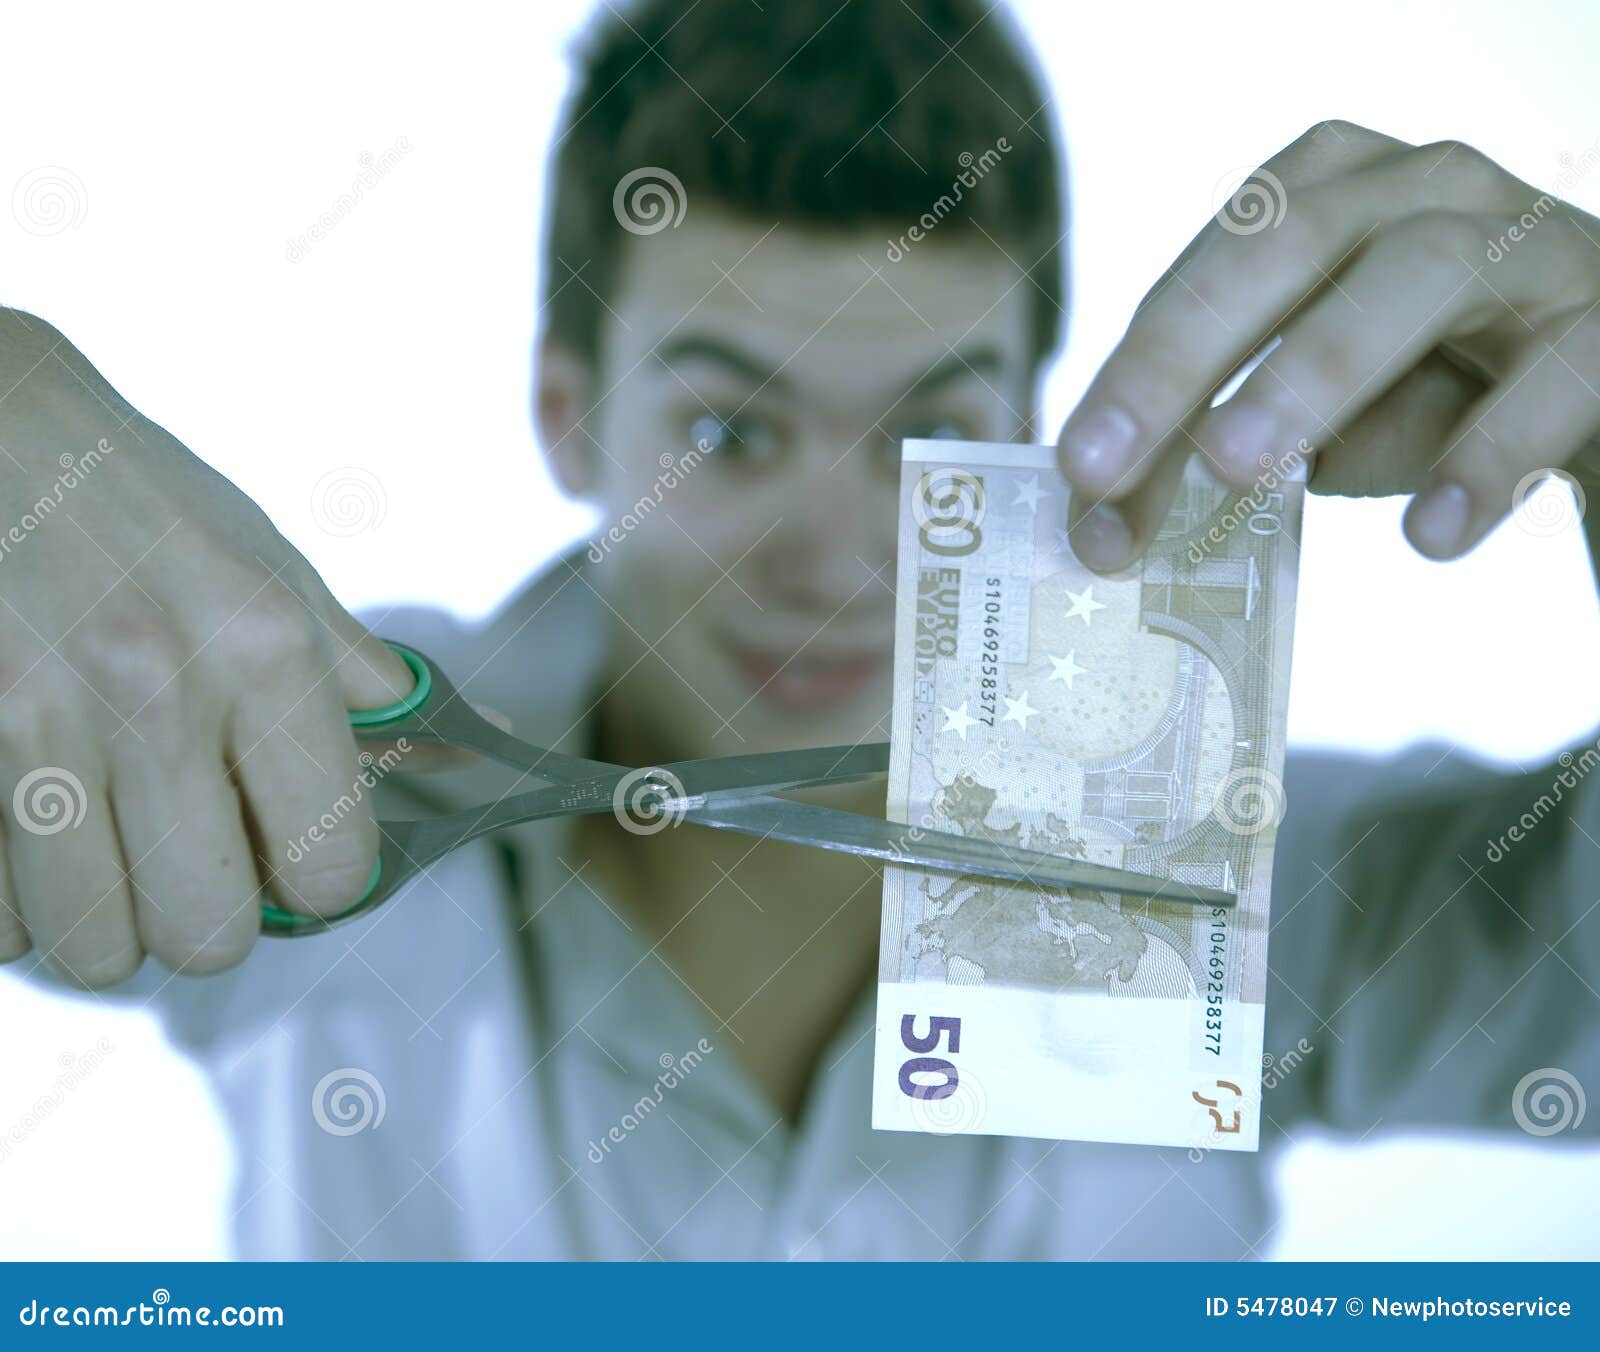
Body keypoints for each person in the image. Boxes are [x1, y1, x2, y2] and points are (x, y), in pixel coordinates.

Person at [3, 0, 1598, 1259]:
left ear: (1030, 429)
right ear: (570, 415)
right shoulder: (286, 752)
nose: (837, 560)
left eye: (930, 436)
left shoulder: (1231, 872)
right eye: (730, 433)